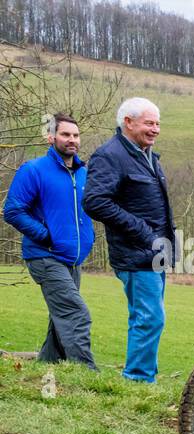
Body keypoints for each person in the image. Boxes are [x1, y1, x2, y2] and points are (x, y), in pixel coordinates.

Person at [82, 96, 176, 383]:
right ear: (128, 122)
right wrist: (143, 232)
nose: (156, 129)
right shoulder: (110, 155)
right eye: (149, 123)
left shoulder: (147, 156)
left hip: (155, 252)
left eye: (158, 123)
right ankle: (137, 378)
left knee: (149, 318)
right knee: (149, 318)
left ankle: (145, 374)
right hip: (136, 252)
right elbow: (95, 201)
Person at [2, 112, 98, 369]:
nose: (72, 140)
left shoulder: (83, 174)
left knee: (61, 317)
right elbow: (12, 210)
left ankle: (49, 365)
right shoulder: (33, 170)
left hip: (73, 258)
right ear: (51, 136)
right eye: (65, 134)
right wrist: (46, 236)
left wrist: (90, 238)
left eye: (76, 135)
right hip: (45, 256)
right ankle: (86, 373)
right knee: (76, 314)